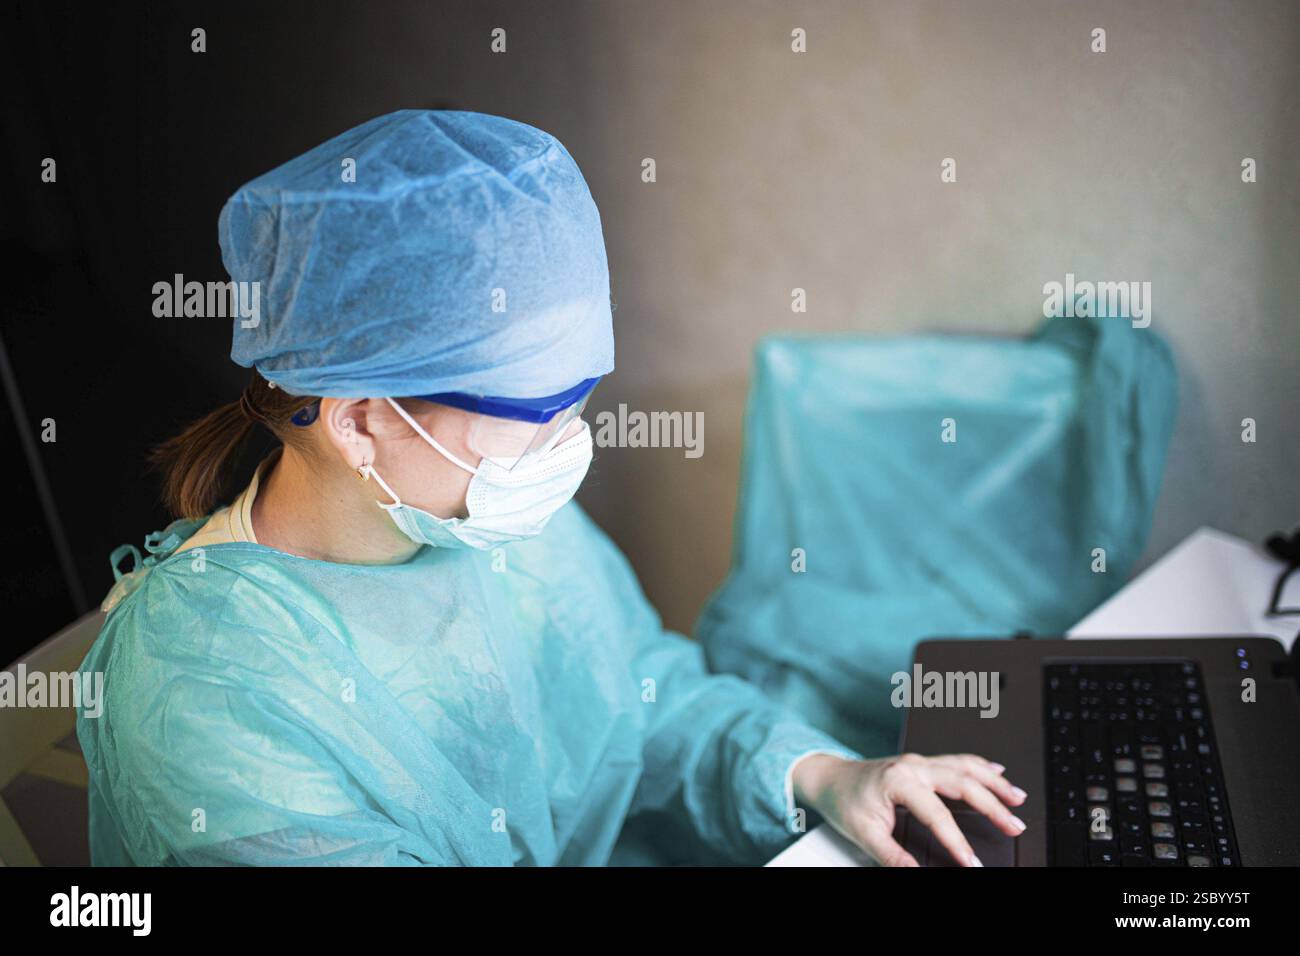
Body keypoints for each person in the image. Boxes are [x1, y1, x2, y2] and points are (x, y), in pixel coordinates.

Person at [77, 110, 1026, 866]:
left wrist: (822, 774)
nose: (564, 442)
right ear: (360, 419)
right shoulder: (205, 692)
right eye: (530, 407)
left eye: (577, 397)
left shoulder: (479, 519)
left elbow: (641, 691)